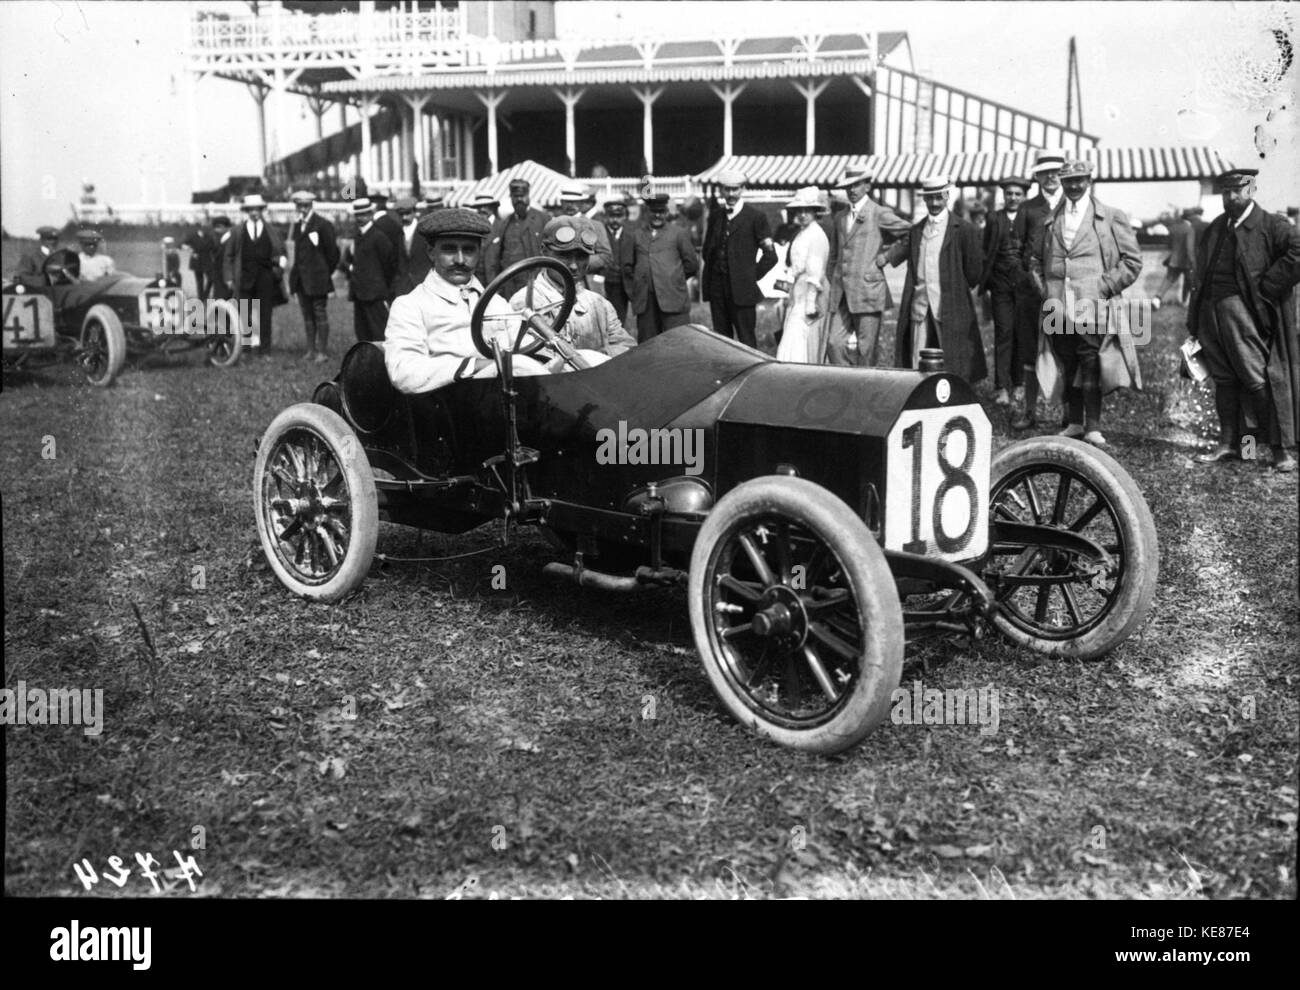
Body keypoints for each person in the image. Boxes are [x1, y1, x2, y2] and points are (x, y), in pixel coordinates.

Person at [1189, 168, 1300, 472]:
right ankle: (1232, 445)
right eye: (1226, 192)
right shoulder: (1217, 226)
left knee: (1255, 379)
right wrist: (1195, 317)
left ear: (1251, 190)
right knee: (1224, 379)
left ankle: (1278, 451)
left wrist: (1268, 286)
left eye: (1237, 191)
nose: (1231, 197)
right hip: (1210, 311)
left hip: (1242, 313)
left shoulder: (1272, 225)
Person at [1028, 159, 1144, 448]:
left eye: (1079, 180)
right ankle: (1075, 423)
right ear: (1062, 183)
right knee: (1067, 361)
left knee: (1090, 362)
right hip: (1058, 306)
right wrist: (1046, 292)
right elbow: (1034, 261)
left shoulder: (1109, 217)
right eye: (1068, 181)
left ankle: (1093, 427)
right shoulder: (1052, 218)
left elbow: (1132, 261)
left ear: (1089, 180)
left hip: (1093, 305)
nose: (1074, 186)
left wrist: (1104, 287)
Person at [385, 207, 551, 393]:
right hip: (450, 402)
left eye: (469, 250)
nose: (460, 260)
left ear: (479, 253)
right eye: (449, 249)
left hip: (505, 397)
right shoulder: (410, 306)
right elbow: (404, 373)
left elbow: (525, 347)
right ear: (431, 252)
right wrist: (476, 366)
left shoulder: (496, 304)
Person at [885, 174, 986, 382]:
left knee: (953, 359)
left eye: (939, 197)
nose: (934, 203)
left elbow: (974, 272)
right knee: (917, 360)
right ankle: (918, 394)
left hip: (949, 306)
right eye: (930, 198)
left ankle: (953, 394)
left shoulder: (963, 229)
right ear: (924, 199)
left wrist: (955, 288)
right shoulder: (917, 230)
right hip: (920, 306)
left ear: (947, 196)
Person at [509, 215, 637, 368]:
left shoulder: (598, 303)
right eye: (564, 256)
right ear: (544, 251)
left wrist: (597, 356)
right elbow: (523, 363)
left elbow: (627, 347)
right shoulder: (524, 303)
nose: (574, 266)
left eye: (582, 257)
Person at [824, 164, 912, 366]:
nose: (852, 190)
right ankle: (848, 381)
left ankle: (867, 384)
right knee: (834, 343)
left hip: (868, 290)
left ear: (868, 186)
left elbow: (911, 233)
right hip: (842, 292)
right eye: (848, 186)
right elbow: (834, 255)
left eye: (856, 185)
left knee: (866, 350)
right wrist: (833, 279)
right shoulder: (840, 217)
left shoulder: (878, 213)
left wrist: (888, 256)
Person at [1011, 149, 1068, 430]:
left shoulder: (1072, 205)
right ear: (1038, 177)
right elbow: (1015, 250)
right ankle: (1030, 411)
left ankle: (1070, 413)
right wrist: (1028, 282)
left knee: (1066, 350)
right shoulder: (1028, 208)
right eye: (1045, 173)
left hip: (1065, 292)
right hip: (1032, 296)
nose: (1051, 178)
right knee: (1030, 354)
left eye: (1056, 172)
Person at [702, 169, 777, 348]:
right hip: (717, 290)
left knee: (746, 340)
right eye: (727, 189)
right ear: (721, 190)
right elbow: (707, 251)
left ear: (743, 189)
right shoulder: (716, 216)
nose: (731, 194)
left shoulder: (756, 217)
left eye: (735, 189)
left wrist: (750, 276)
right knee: (721, 340)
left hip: (742, 291)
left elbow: (770, 256)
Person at [981, 176, 1034, 407]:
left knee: (1021, 333)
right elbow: (986, 249)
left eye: (1017, 194)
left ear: (1024, 196)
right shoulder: (994, 218)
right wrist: (986, 281)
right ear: (1004, 195)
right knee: (1004, 331)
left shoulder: (1029, 217)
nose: (1013, 198)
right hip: (1000, 282)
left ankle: (1019, 384)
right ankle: (1001, 386)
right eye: (1009, 193)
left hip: (1023, 284)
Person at [625, 193, 700, 340]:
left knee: (678, 341)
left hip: (673, 299)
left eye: (661, 211)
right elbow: (628, 267)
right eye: (654, 211)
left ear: (666, 212)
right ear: (647, 212)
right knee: (648, 344)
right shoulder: (637, 235)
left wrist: (674, 278)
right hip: (646, 302)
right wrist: (639, 286)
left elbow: (691, 264)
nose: (657, 215)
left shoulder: (678, 233)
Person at [775, 187, 830, 363]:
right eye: (800, 210)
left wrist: (810, 304)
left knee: (802, 334)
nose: (803, 215)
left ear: (815, 212)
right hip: (799, 289)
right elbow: (795, 264)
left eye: (808, 211)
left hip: (811, 293)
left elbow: (816, 271)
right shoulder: (801, 233)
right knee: (792, 331)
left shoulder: (817, 235)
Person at [288, 189, 341, 362]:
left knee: (320, 314)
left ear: (311, 205)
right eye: (299, 206)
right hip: (302, 280)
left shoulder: (322, 224)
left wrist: (324, 272)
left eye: (306, 205)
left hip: (318, 279)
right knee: (307, 316)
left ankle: (322, 352)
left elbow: (333, 253)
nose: (302, 209)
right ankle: (311, 350)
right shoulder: (298, 225)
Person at [231, 193, 287, 355]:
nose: (254, 212)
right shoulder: (238, 231)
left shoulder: (273, 231)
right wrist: (230, 277)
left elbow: (283, 253)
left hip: (266, 277)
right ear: (246, 211)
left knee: (265, 314)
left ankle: (265, 349)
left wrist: (279, 270)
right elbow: (229, 255)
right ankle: (246, 348)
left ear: (262, 210)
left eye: (257, 209)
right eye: (251, 209)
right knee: (244, 314)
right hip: (245, 277)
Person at [345, 197, 399, 343]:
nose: (360, 218)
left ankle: (381, 358)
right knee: (362, 332)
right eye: (357, 215)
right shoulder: (358, 236)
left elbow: (389, 265)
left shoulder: (378, 236)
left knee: (378, 332)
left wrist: (380, 285)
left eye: (364, 214)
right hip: (359, 293)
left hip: (375, 294)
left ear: (370, 214)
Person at [484, 178, 549, 295]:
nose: (519, 200)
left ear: (528, 196)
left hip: (535, 283)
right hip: (510, 285)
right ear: (511, 198)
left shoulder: (542, 219)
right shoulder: (505, 223)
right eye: (515, 196)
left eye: (522, 196)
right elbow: (496, 256)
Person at [557, 182, 614, 278]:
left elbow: (606, 256)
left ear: (581, 203)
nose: (570, 205)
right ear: (561, 202)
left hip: (586, 279)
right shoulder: (553, 225)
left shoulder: (595, 226)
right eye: (567, 201)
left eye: (574, 202)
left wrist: (579, 263)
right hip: (559, 278)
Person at [600, 198, 634, 329]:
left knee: (618, 320)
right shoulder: (600, 234)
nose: (615, 220)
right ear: (605, 216)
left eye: (619, 216)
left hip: (621, 286)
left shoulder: (632, 235)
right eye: (611, 216)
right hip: (601, 284)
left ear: (624, 217)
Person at [1156, 208, 1196, 306]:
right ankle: (1191, 303)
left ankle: (1156, 299)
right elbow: (1189, 248)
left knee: (1168, 279)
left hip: (1174, 260)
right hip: (1186, 261)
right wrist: (1193, 261)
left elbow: (1169, 245)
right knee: (1192, 282)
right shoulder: (1189, 229)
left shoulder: (1173, 228)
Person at [182, 225, 216, 300]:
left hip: (207, 259)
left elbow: (213, 248)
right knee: (199, 281)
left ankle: (205, 294)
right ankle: (201, 298)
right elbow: (184, 245)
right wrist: (191, 251)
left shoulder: (209, 237)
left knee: (211, 278)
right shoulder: (192, 236)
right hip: (197, 260)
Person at [210, 216, 234, 300]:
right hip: (219, 276)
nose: (216, 230)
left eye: (219, 227)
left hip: (227, 277)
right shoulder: (219, 239)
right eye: (215, 227)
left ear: (227, 227)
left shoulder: (231, 240)